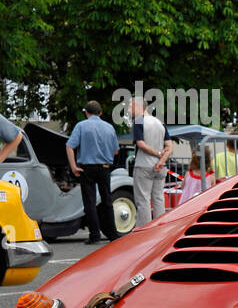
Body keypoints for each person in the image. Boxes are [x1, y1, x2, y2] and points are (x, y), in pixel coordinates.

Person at [66, 101, 121, 243]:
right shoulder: (109, 127)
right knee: (107, 200)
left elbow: (69, 146)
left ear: (86, 112)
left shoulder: (81, 126)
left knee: (89, 202)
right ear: (100, 112)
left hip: (87, 168)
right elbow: (115, 150)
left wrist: (73, 166)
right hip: (105, 168)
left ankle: (95, 235)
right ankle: (112, 234)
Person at [129, 97, 172, 227]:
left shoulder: (138, 122)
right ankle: (160, 228)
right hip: (160, 167)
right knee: (159, 198)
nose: (128, 110)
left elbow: (140, 144)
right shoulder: (159, 123)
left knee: (143, 200)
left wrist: (157, 154)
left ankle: (144, 230)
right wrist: (162, 160)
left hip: (143, 165)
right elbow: (169, 146)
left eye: (130, 106)